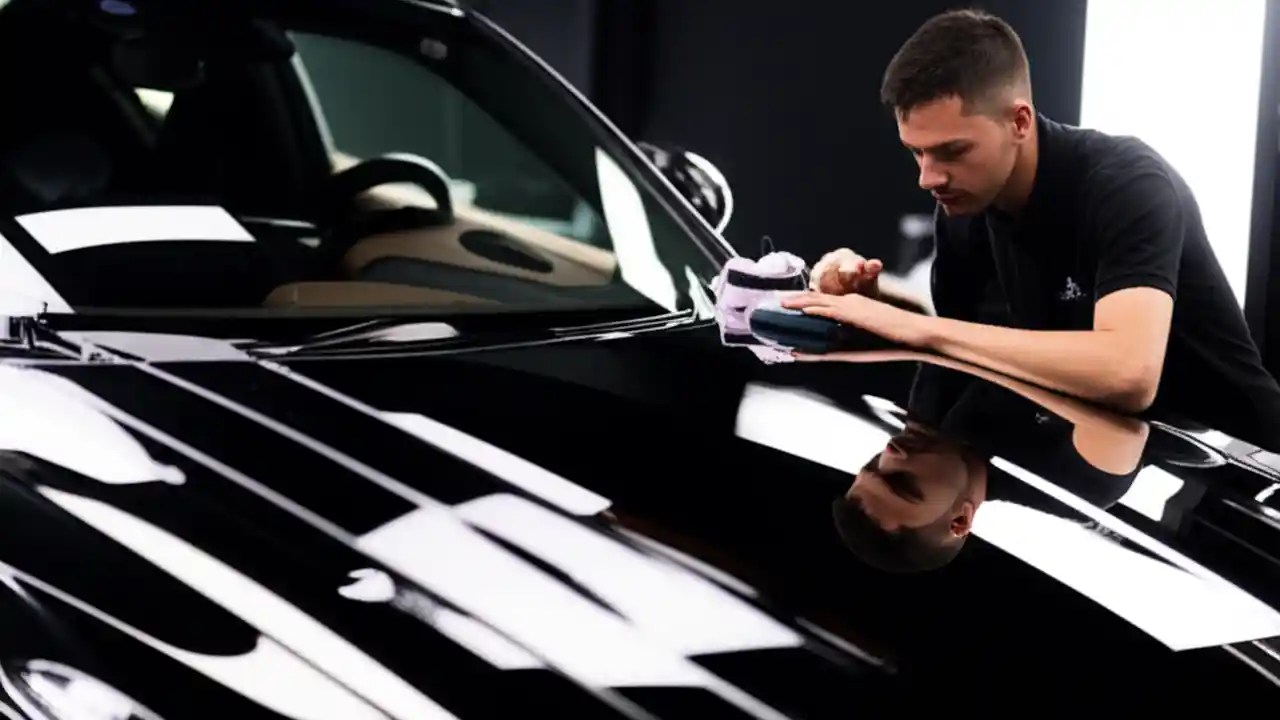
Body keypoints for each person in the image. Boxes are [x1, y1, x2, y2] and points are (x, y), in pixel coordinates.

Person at [784, 8, 1280, 451]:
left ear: (1019, 121)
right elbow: (971, 346)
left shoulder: (1126, 183)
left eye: (951, 151)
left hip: (1238, 475)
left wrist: (923, 330)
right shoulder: (966, 205)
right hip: (1126, 459)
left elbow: (1129, 373)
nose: (927, 177)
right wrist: (873, 305)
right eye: (916, 151)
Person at [830, 351, 1149, 573]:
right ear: (960, 521)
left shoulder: (927, 414)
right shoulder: (1071, 490)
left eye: (873, 466)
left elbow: (961, 291)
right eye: (904, 483)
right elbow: (1127, 426)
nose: (891, 452)